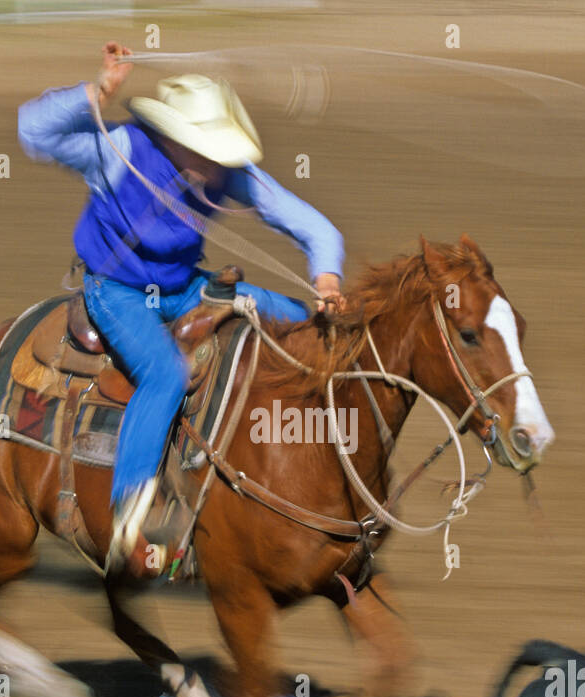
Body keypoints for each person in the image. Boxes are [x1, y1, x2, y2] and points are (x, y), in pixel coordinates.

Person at [18, 42, 346, 570]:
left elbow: (310, 224)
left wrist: (325, 279)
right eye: (211, 151)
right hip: (116, 292)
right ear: (177, 140)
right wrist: (98, 92)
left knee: (298, 323)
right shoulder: (119, 150)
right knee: (165, 375)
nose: (222, 165)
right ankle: (130, 507)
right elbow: (32, 131)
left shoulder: (227, 173)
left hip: (184, 287)